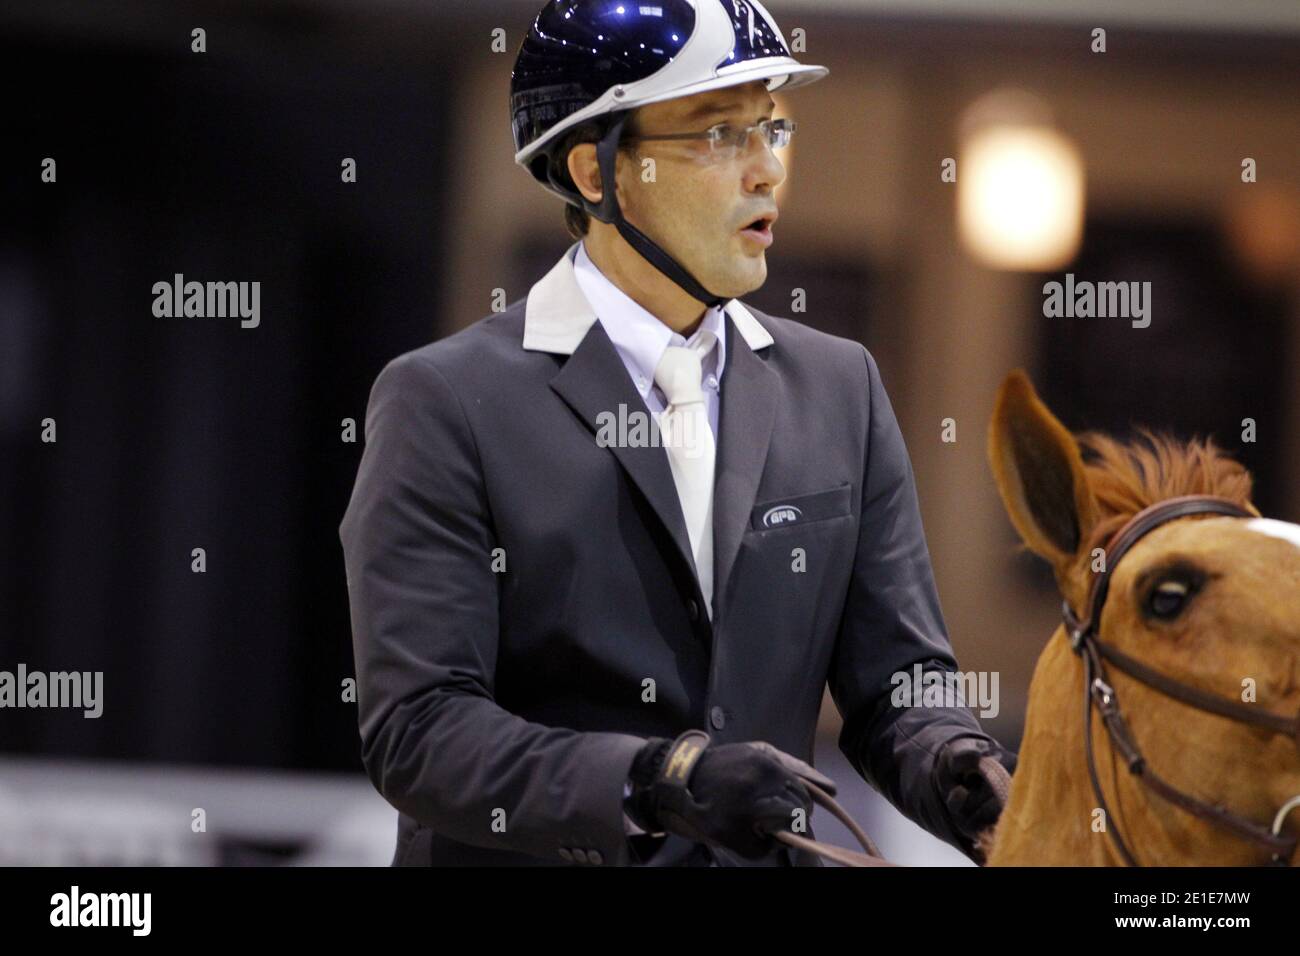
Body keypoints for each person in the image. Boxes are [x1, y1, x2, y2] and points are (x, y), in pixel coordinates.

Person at [339, 0, 1016, 867]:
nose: (767, 169)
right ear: (597, 171)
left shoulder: (841, 386)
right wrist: (658, 780)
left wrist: (959, 766)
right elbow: (420, 731)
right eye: (718, 134)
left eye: (771, 128)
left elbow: (897, 688)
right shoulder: (444, 400)